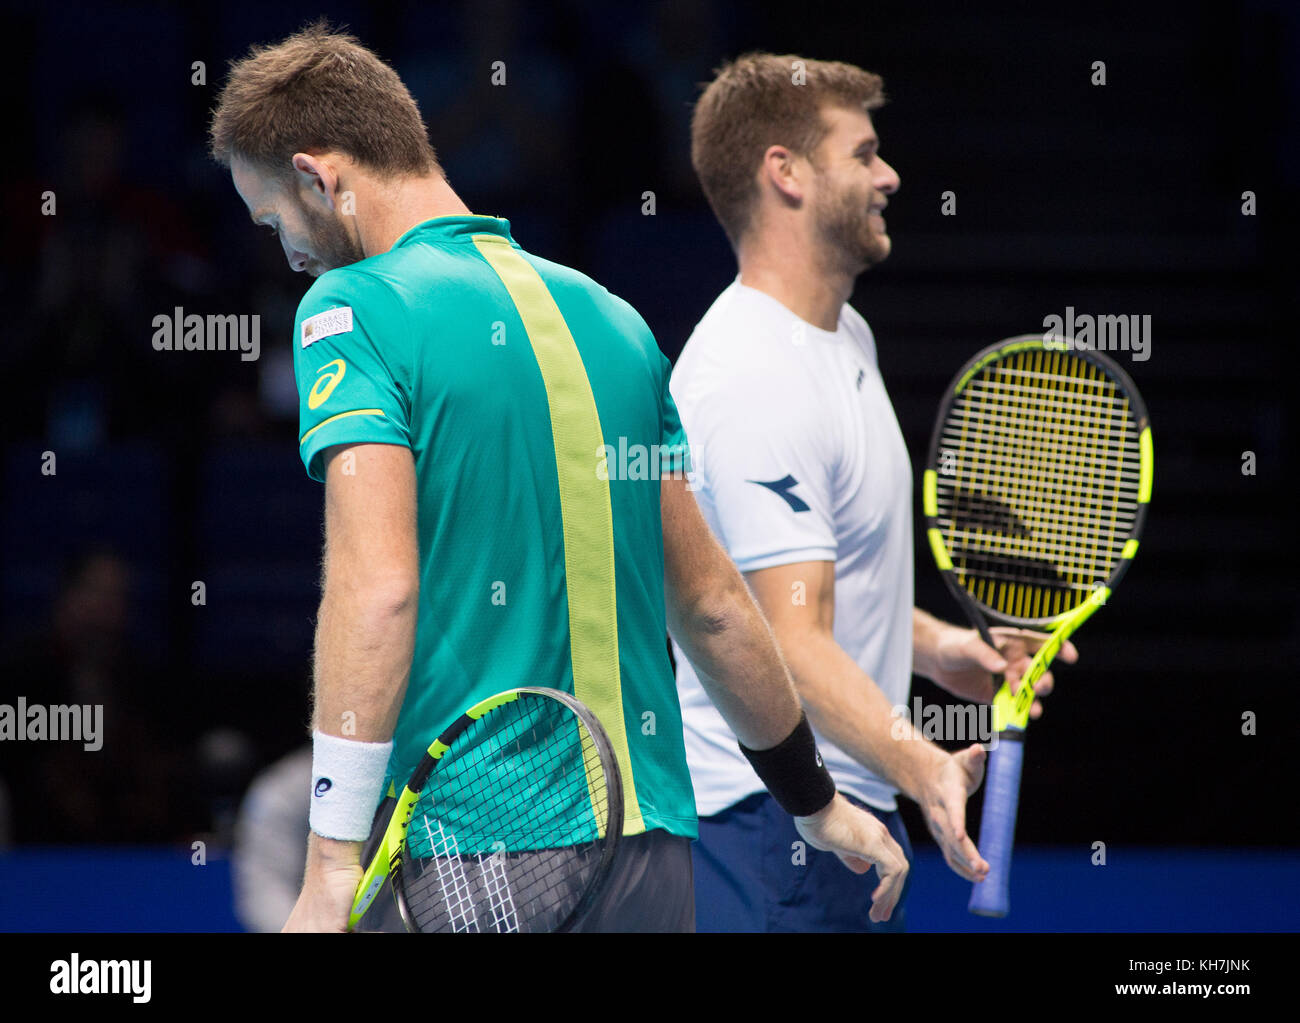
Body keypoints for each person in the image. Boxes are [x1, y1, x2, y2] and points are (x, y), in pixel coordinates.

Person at [208, 22, 908, 933]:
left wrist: (333, 862)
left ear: (320, 178)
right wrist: (814, 802)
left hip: (470, 846)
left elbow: (376, 588)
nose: (288, 254)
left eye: (276, 222)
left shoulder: (351, 309)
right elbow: (713, 606)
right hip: (651, 853)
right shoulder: (612, 318)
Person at [673, 53, 1076, 931]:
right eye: (862, 154)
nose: (890, 175)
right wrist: (920, 761)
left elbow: (820, 582)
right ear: (785, 172)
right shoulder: (751, 376)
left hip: (836, 818)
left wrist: (937, 651)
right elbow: (788, 637)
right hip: (763, 827)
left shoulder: (843, 335)